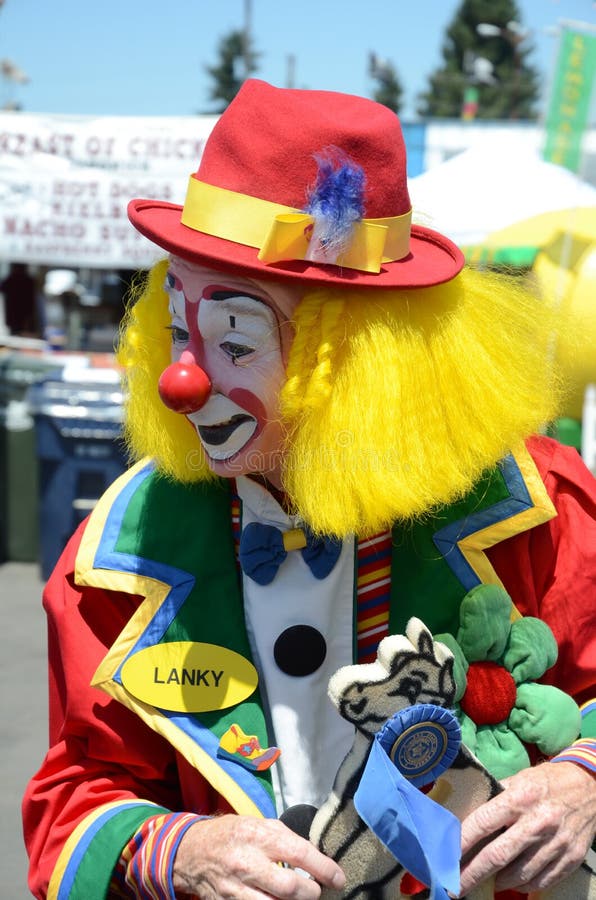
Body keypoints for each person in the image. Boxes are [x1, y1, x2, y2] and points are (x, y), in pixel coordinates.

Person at [23, 79, 596, 900]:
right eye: (181, 330)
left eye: (236, 341)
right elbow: (75, 792)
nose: (182, 381)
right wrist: (177, 849)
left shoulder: (537, 506)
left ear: (362, 361)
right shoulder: (126, 545)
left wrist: (582, 779)